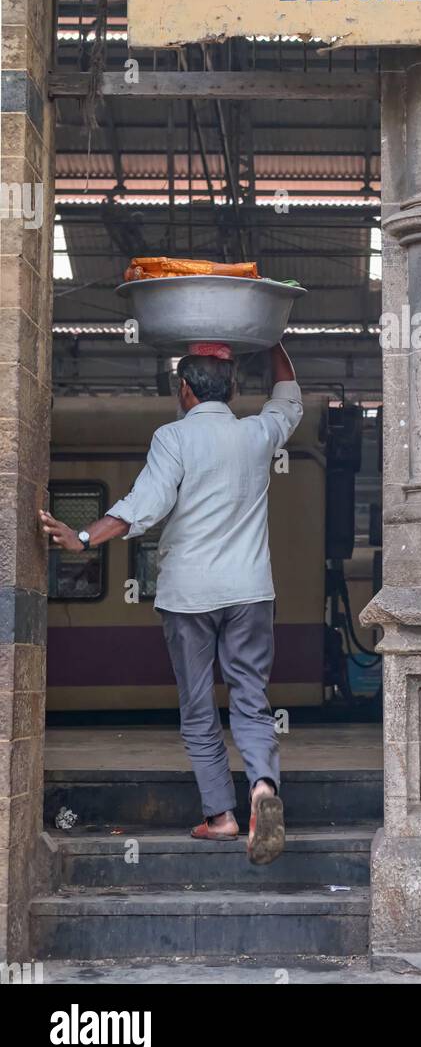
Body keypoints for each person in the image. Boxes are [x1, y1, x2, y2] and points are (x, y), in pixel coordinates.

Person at [39, 340, 302, 866]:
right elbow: (289, 396)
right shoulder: (257, 433)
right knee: (251, 699)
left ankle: (221, 817)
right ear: (232, 389)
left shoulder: (173, 437)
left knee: (198, 704)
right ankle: (263, 789)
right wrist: (271, 336)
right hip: (250, 593)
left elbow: (145, 506)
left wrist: (84, 539)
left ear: (182, 390)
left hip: (188, 596)